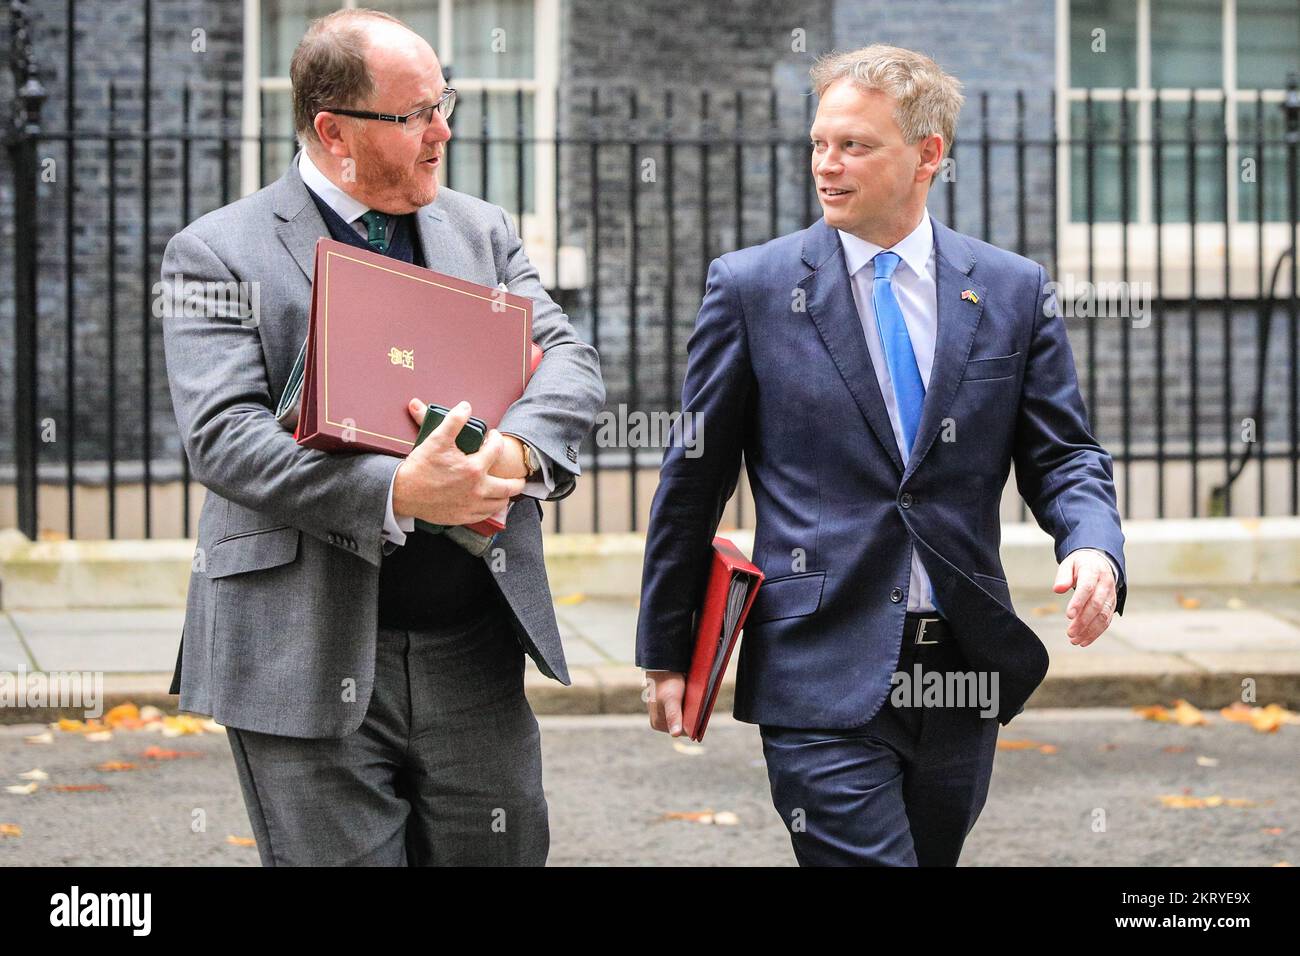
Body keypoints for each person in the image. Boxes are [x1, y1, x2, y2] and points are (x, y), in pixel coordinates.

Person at [636, 44, 1126, 866]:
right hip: (817, 666)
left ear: (928, 155)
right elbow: (693, 478)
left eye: (855, 146)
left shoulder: (1009, 289)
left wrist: (1092, 545)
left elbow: (1065, 453)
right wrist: (667, 647)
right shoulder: (752, 288)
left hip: (959, 669)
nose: (827, 165)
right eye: (820, 143)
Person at [160, 8, 604, 866]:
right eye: (415, 116)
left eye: (446, 105)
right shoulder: (214, 252)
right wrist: (397, 492)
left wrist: (511, 454)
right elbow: (223, 437)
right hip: (300, 649)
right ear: (335, 131)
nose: (442, 132)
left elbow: (570, 362)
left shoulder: (483, 230)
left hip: (474, 648)